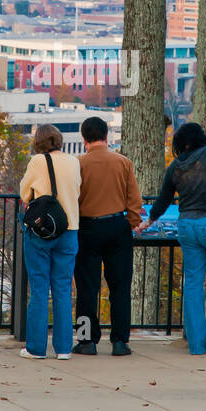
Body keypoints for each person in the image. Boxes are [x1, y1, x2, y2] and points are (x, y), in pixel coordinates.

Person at [137, 122, 206, 356]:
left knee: (193, 283)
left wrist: (147, 222)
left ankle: (197, 345)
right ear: (201, 138)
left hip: (186, 226)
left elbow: (163, 199)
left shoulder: (175, 167)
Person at [72, 116, 142, 356]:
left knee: (86, 288)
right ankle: (120, 341)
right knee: (120, 287)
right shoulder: (123, 162)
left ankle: (86, 341)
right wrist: (131, 223)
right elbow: (134, 200)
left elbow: (73, 199)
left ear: (84, 139)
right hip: (117, 227)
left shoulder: (78, 164)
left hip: (86, 228)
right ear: (106, 136)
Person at [18, 124, 81, 361]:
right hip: (69, 228)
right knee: (63, 289)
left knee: (40, 289)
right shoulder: (74, 161)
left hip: (41, 231)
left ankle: (36, 347)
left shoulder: (37, 162)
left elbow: (25, 193)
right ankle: (64, 348)